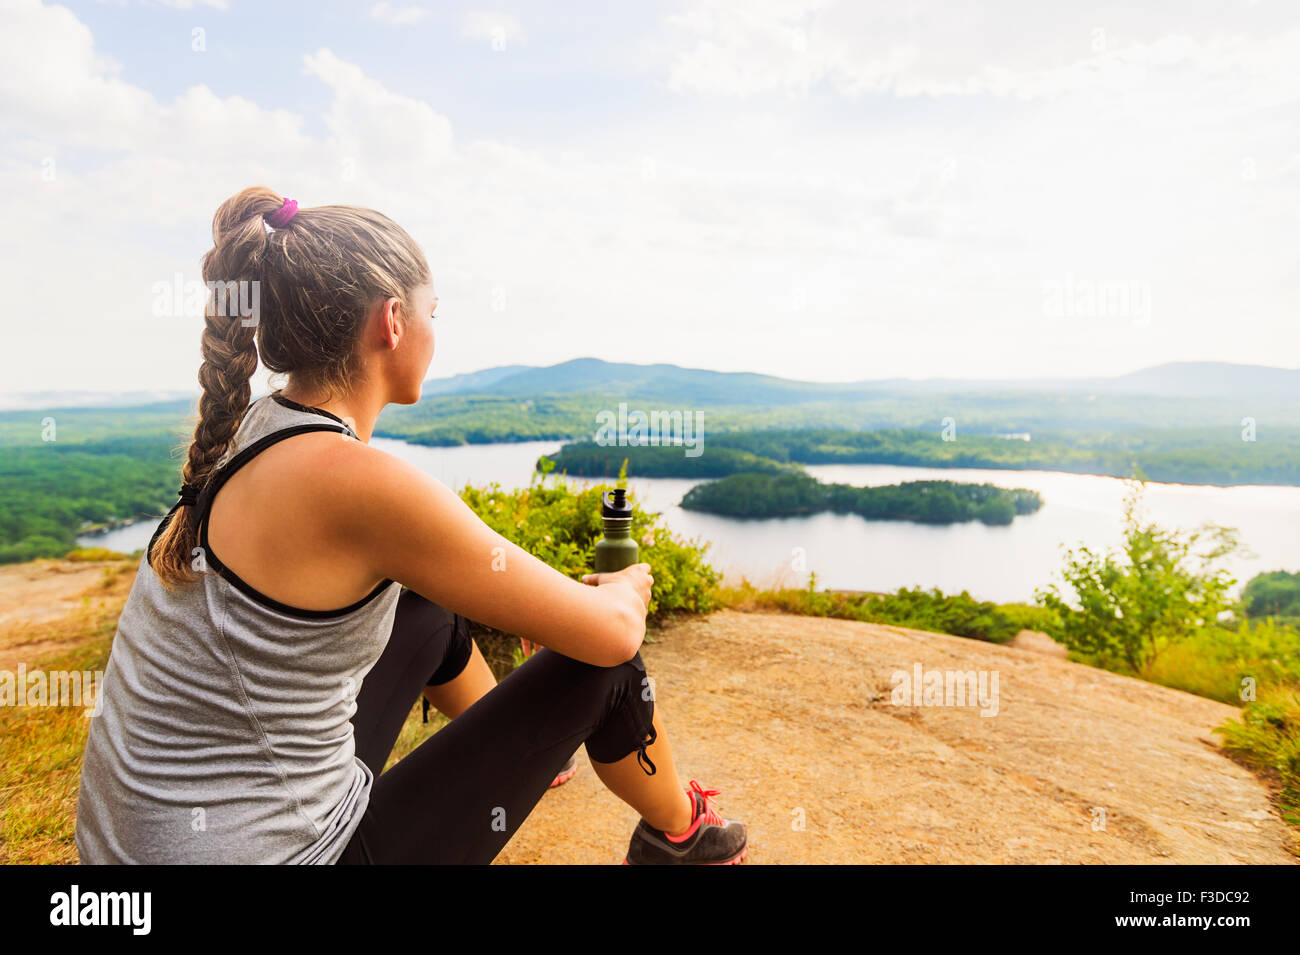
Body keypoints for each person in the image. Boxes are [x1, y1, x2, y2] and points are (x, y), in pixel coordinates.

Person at [73, 186, 748, 865]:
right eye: (433, 310)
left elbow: (446, 573)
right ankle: (681, 835)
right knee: (606, 665)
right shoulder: (354, 481)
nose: (434, 328)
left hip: (143, 850)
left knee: (421, 600)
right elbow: (611, 634)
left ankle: (535, 759)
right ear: (392, 320)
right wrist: (625, 588)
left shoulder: (254, 429)